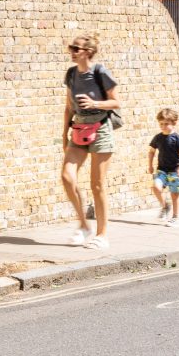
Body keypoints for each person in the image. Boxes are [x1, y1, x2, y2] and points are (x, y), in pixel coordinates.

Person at [61, 34, 120, 249]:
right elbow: (68, 106)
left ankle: (102, 235)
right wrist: (63, 135)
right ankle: (84, 225)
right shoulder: (71, 74)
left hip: (101, 128)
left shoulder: (100, 72)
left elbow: (116, 102)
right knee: (67, 177)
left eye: (76, 48)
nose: (72, 51)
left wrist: (95, 102)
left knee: (97, 184)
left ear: (87, 52)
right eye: (71, 48)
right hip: (78, 129)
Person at [148, 108, 179, 227]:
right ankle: (165, 206)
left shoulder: (177, 139)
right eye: (161, 124)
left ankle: (175, 218)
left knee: (174, 195)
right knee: (156, 187)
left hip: (175, 172)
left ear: (174, 123)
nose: (163, 126)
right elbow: (151, 152)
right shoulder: (158, 138)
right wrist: (150, 165)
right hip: (162, 170)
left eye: (166, 124)